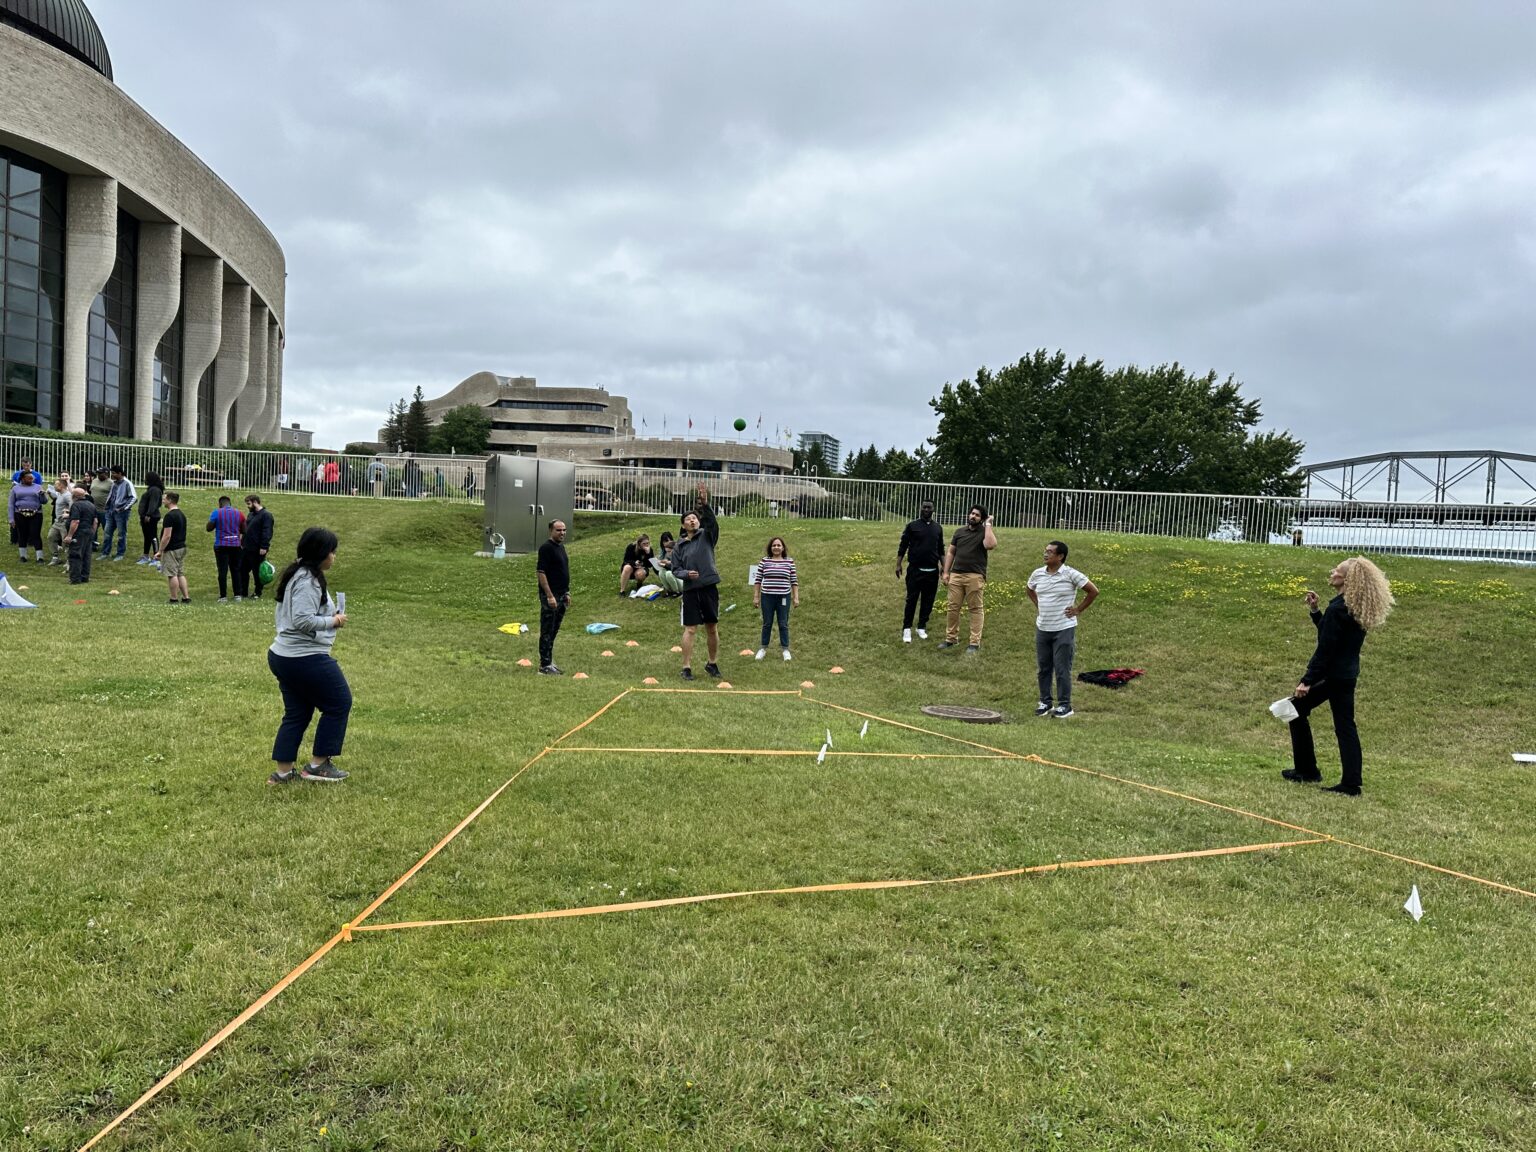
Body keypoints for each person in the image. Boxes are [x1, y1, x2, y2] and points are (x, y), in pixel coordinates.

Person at [1281, 557, 1394, 796]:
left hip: (1333, 676)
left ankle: (1307, 770)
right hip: (1347, 675)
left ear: (1347, 579)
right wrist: (1315, 612)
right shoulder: (1352, 608)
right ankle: (1351, 783)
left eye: (1337, 571)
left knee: (1294, 709)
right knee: (1345, 726)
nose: (1332, 572)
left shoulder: (1338, 609)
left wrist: (1307, 681)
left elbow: (1326, 650)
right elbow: (1331, 636)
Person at [267, 527, 351, 783]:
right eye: (332, 552)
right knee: (339, 702)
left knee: (298, 712)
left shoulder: (299, 573)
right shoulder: (307, 580)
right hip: (303, 657)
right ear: (320, 554)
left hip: (284, 656)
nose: (334, 557)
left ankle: (283, 773)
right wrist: (333, 621)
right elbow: (302, 620)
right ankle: (318, 765)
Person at [1026, 540, 1099, 719]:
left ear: (1060, 556)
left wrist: (1077, 610)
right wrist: (1038, 604)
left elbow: (1093, 591)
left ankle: (1065, 705)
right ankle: (1045, 702)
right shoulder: (1037, 574)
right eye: (1045, 551)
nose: (1046, 554)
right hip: (1043, 627)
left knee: (1061, 668)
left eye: (1050, 552)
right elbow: (1029, 589)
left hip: (1063, 628)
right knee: (1044, 668)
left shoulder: (1070, 574)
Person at [669, 481, 722, 680]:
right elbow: (675, 569)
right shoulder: (679, 546)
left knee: (712, 627)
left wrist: (705, 504)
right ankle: (686, 667)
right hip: (690, 590)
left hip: (708, 587)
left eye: (694, 518)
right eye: (688, 519)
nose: (692, 521)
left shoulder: (707, 536)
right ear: (683, 525)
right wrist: (685, 575)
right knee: (690, 628)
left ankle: (712, 663)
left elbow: (712, 522)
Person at [937, 505, 997, 654]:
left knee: (975, 609)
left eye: (977, 515)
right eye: (972, 513)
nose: (973, 516)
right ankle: (951, 639)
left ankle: (974, 643)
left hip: (975, 576)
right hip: (956, 575)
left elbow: (990, 545)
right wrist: (946, 572)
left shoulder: (984, 532)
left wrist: (988, 524)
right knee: (952, 608)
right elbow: (951, 552)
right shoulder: (959, 532)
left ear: (981, 519)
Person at [896, 500, 944, 643]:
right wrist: (898, 564)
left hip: (932, 571)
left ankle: (921, 627)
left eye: (929, 507)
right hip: (915, 571)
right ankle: (907, 628)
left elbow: (941, 549)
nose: (926, 509)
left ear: (933, 509)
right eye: (924, 507)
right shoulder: (912, 526)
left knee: (928, 601)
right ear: (920, 508)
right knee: (911, 600)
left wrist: (944, 568)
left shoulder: (938, 528)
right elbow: (903, 546)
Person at [753, 535, 799, 661]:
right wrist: (756, 597)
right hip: (767, 596)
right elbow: (758, 580)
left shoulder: (789, 561)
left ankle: (785, 649)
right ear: (770, 548)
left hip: (784, 597)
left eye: (779, 545)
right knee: (767, 623)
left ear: (783, 548)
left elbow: (794, 581)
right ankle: (763, 648)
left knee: (783, 623)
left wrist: (796, 597)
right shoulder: (764, 561)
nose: (776, 547)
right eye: (774, 545)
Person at [536, 519, 571, 675]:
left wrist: (567, 592)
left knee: (554, 630)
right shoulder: (546, 548)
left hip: (562, 595)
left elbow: (562, 571)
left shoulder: (561, 547)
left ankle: (549, 661)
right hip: (552, 595)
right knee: (547, 630)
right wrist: (550, 596)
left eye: (564, 530)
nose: (562, 533)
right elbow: (541, 573)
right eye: (558, 530)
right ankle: (544, 665)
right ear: (551, 531)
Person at [206, 495, 246, 602]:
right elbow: (244, 530)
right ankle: (238, 595)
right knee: (236, 570)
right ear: (230, 503)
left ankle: (223, 596)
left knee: (222, 571)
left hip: (221, 545)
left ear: (220, 504)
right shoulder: (239, 513)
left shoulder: (217, 513)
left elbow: (209, 528)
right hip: (236, 545)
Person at [236, 494, 274, 600]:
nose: (248, 506)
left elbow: (267, 532)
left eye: (249, 504)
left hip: (257, 549)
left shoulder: (266, 515)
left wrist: (264, 546)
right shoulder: (251, 515)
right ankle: (243, 592)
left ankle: (258, 592)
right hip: (246, 548)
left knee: (257, 571)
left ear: (255, 502)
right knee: (242, 570)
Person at [96, 464, 137, 562]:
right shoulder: (115, 483)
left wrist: (124, 508)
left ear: (120, 473)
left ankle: (120, 553)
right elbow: (112, 495)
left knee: (121, 534)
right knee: (107, 533)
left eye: (114, 473)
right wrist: (107, 506)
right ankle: (105, 553)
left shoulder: (127, 483)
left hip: (121, 513)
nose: (112, 475)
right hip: (110, 512)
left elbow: (134, 497)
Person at [7, 468, 48, 562]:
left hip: (36, 513)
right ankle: (23, 556)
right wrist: (11, 519)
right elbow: (10, 504)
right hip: (19, 513)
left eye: (32, 478)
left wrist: (42, 495)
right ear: (23, 479)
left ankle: (40, 557)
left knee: (35, 534)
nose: (31, 480)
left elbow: (44, 502)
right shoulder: (15, 488)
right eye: (29, 478)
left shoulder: (38, 487)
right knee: (22, 534)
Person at [156, 492, 190, 604]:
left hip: (172, 549)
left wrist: (160, 550)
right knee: (180, 573)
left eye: (164, 499)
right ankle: (186, 597)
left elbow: (167, 536)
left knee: (172, 574)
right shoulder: (181, 514)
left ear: (170, 500)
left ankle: (174, 598)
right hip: (181, 547)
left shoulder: (170, 516)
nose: (162, 501)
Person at [62, 485, 97, 585]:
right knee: (86, 555)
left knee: (75, 555)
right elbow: (95, 521)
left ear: (74, 496)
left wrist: (69, 536)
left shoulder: (76, 505)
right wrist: (92, 533)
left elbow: (75, 521)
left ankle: (75, 579)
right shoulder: (91, 505)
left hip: (79, 533)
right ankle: (85, 577)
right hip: (89, 532)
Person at [137, 471, 164, 565]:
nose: (144, 479)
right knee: (147, 537)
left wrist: (148, 515)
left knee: (153, 537)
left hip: (151, 517)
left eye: (146, 478)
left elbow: (153, 504)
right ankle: (146, 556)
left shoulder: (155, 490)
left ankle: (157, 557)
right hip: (145, 517)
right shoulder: (151, 489)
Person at [46, 474, 73, 565]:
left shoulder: (67, 495)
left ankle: (69, 560)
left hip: (64, 523)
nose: (54, 486)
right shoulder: (60, 494)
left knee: (65, 542)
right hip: (57, 522)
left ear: (61, 486)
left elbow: (74, 507)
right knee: (51, 537)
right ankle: (55, 557)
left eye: (56, 484)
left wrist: (68, 513)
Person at [88, 468, 112, 551]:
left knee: (107, 530)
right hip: (93, 509)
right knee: (93, 528)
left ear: (106, 474)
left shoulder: (111, 483)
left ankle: (107, 547)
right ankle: (93, 545)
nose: (99, 475)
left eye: (100, 473)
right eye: (98, 473)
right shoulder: (94, 480)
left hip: (105, 510)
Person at [652, 531, 684, 595]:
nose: (668, 553)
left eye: (669, 551)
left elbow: (675, 566)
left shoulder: (679, 554)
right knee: (662, 572)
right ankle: (668, 590)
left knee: (669, 573)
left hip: (681, 581)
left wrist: (666, 564)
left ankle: (677, 591)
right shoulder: (667, 554)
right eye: (667, 552)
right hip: (674, 577)